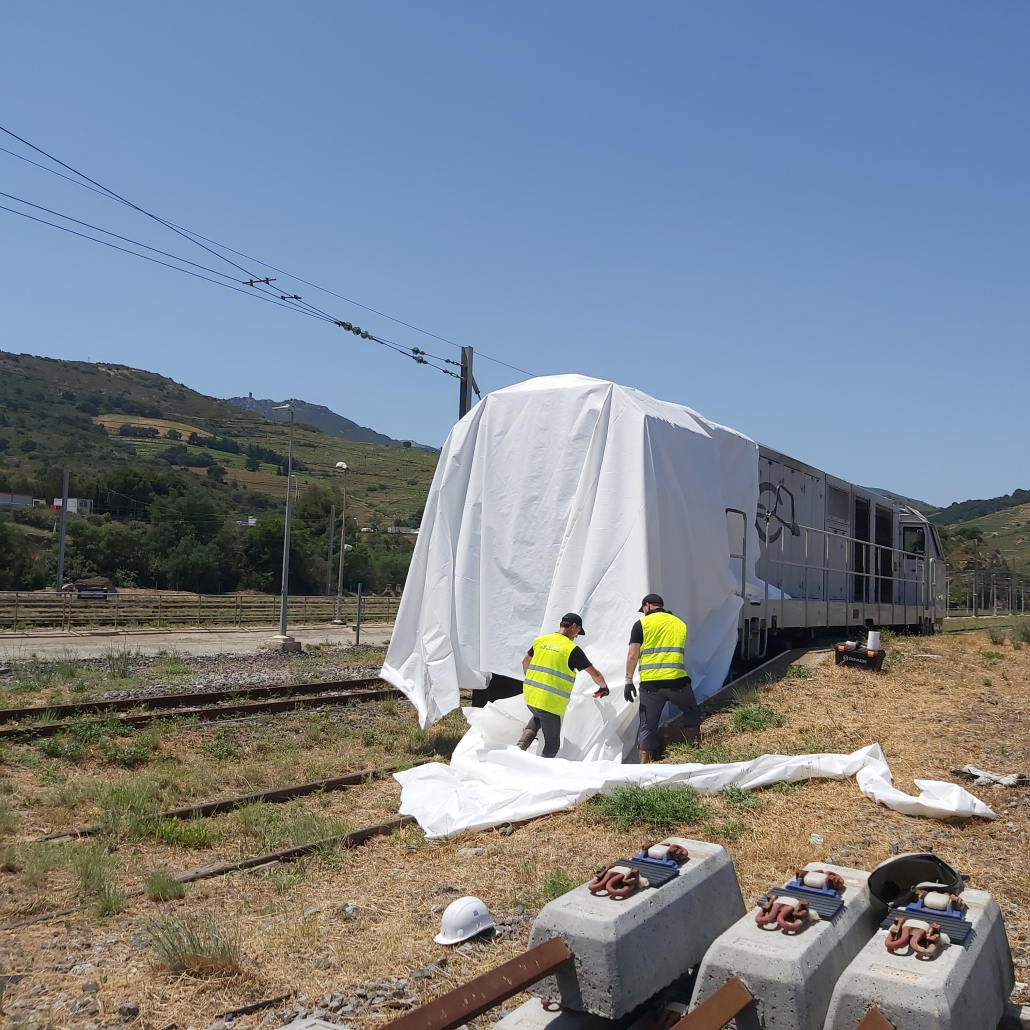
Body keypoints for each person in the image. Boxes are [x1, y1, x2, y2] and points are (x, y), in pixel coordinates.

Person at [518, 613, 609, 758]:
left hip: (531, 697)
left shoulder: (541, 641)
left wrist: (531, 681)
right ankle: (539, 774)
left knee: (537, 718)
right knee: (552, 745)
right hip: (549, 703)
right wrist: (603, 687)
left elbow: (525, 662)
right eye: (578, 631)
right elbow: (595, 674)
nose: (577, 636)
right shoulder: (571, 650)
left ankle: (518, 750)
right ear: (574, 627)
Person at [624, 593, 700, 763]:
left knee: (647, 725)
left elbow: (632, 655)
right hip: (677, 682)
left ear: (648, 605)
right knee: (691, 713)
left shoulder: (641, 624)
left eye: (643, 609)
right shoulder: (679, 623)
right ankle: (694, 754)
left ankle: (644, 765)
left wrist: (628, 681)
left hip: (651, 686)